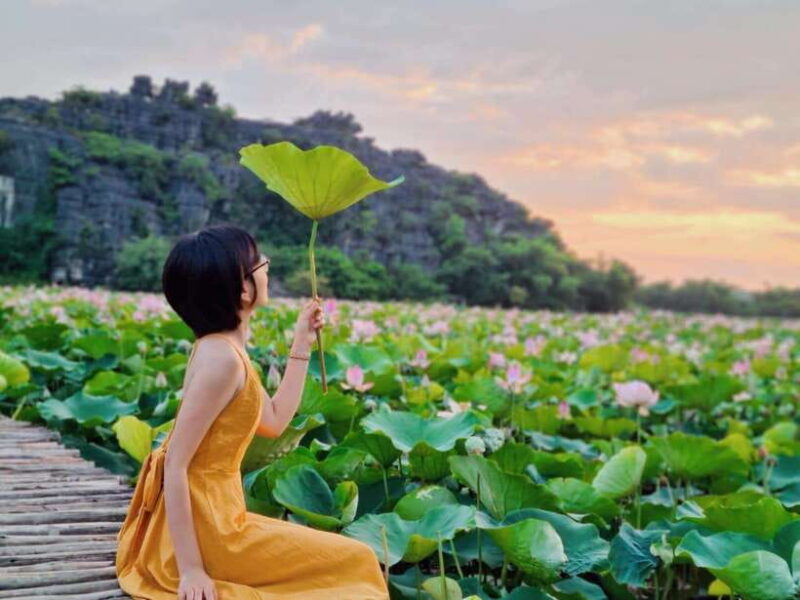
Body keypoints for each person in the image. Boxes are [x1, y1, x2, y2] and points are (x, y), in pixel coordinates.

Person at [115, 224, 390, 599]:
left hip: (222, 517)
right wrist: (191, 570)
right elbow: (176, 463)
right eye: (259, 262)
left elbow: (274, 421)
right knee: (356, 561)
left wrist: (301, 341)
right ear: (243, 289)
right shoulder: (222, 361)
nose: (267, 265)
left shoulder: (224, 349)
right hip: (212, 534)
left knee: (352, 560)